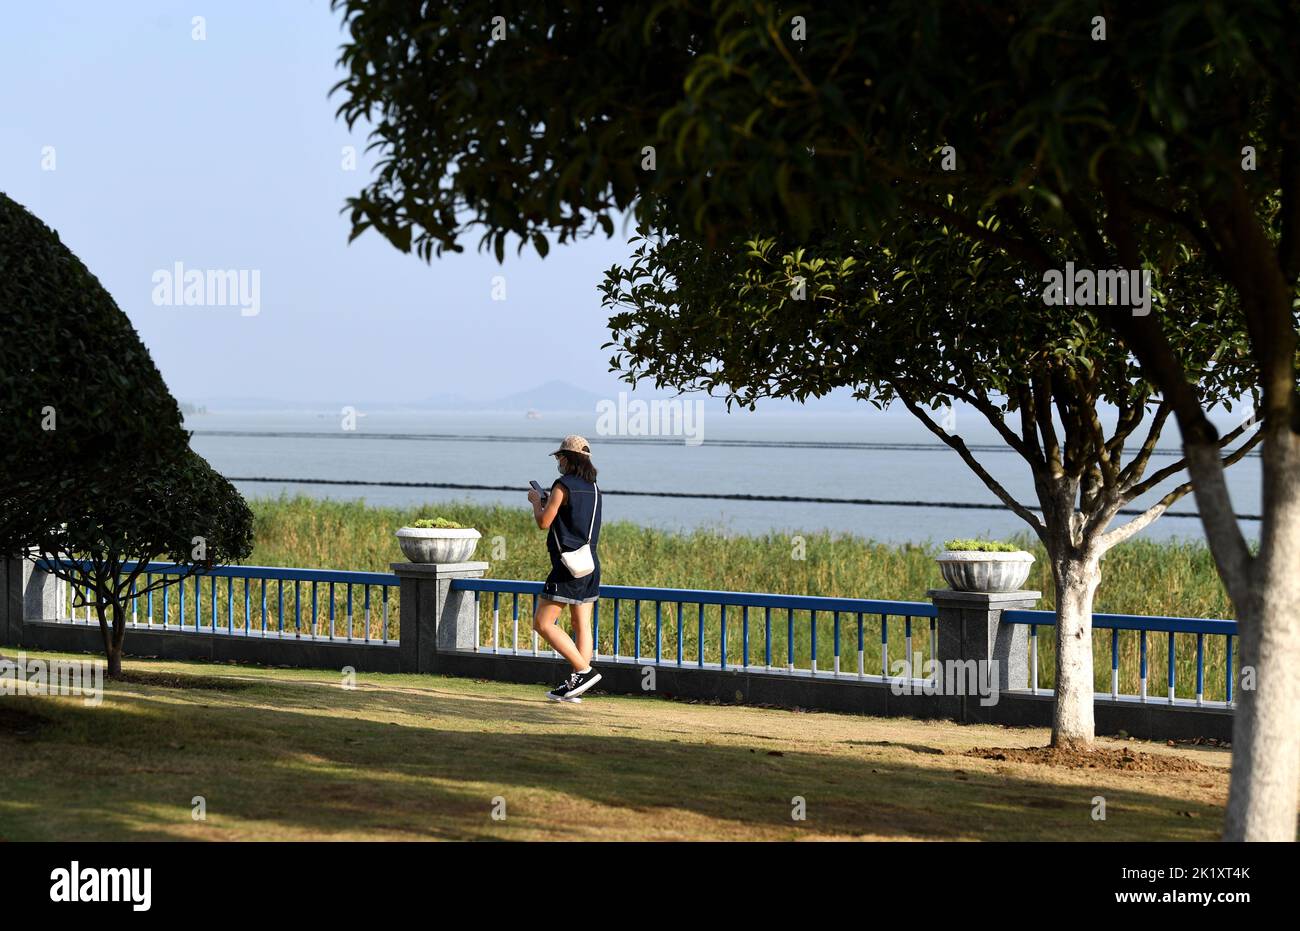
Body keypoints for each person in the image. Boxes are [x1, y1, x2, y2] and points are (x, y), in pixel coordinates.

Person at [527, 434, 603, 702]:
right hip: (590, 564)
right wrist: (552, 502)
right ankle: (576, 685)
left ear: (568, 459)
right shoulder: (593, 488)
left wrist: (538, 501)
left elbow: (544, 522)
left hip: (566, 566)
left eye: (559, 456)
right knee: (581, 624)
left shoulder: (562, 486)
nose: (557, 461)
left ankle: (583, 670)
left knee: (542, 623)